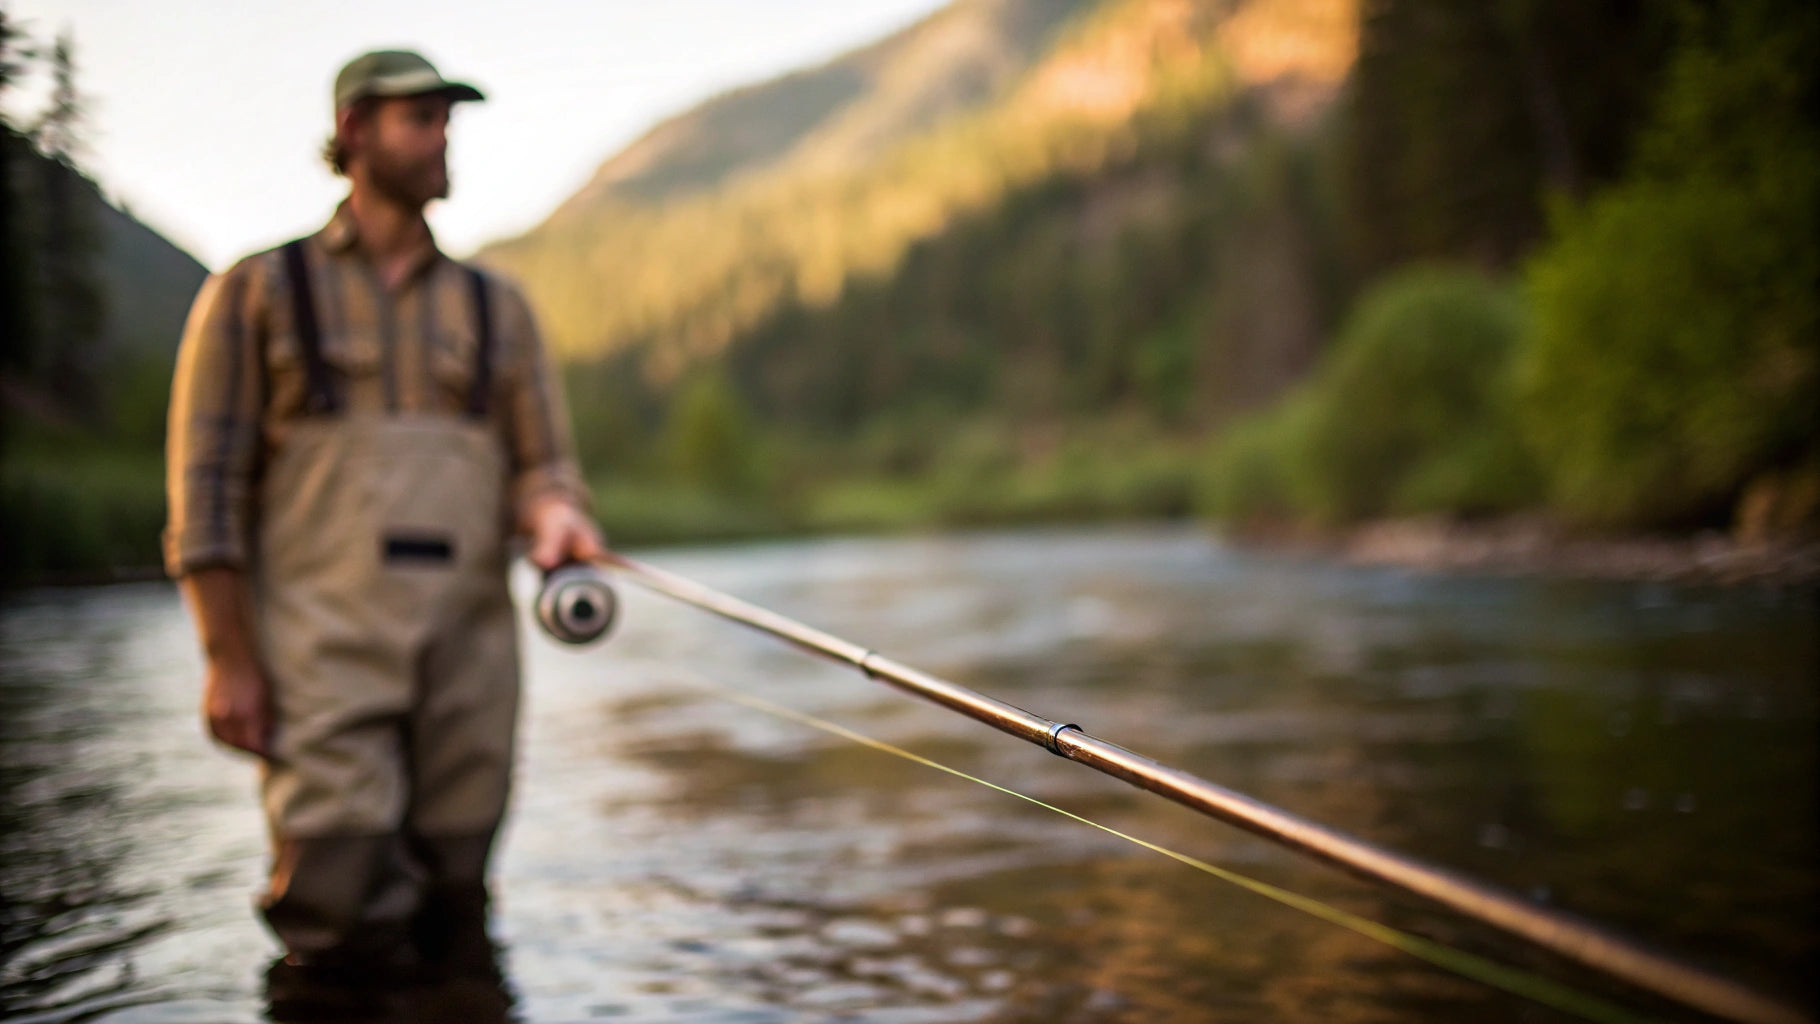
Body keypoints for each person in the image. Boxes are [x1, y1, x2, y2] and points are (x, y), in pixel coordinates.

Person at [163, 48, 604, 990]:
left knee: (457, 903)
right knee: (338, 906)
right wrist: (226, 658)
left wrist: (560, 513)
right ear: (355, 131)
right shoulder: (253, 291)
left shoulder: (501, 306)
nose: (443, 138)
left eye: (447, 120)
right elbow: (205, 494)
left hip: (470, 661)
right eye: (421, 119)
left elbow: (545, 467)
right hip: (320, 659)